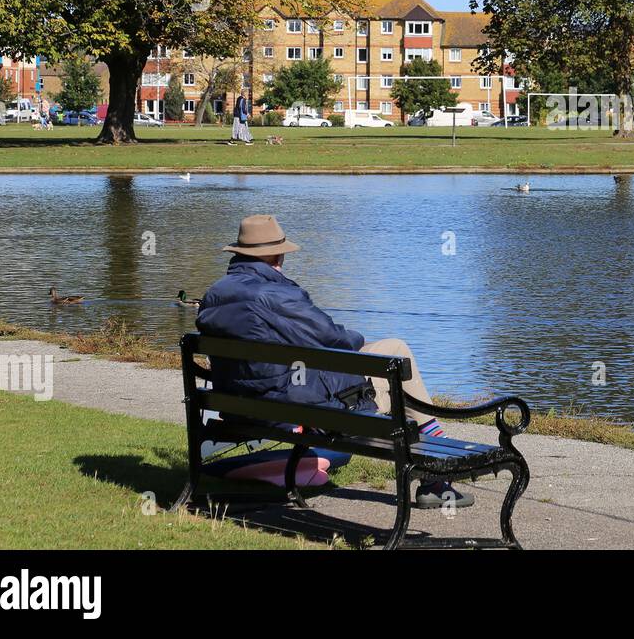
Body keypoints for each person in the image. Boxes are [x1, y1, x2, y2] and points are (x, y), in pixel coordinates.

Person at [196, 215, 472, 508]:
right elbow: (331, 338)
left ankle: (435, 462)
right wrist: (358, 342)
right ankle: (436, 473)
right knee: (396, 352)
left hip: (243, 404)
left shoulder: (215, 294)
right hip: (298, 405)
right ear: (277, 256)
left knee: (387, 354)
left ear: (240, 254)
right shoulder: (277, 295)